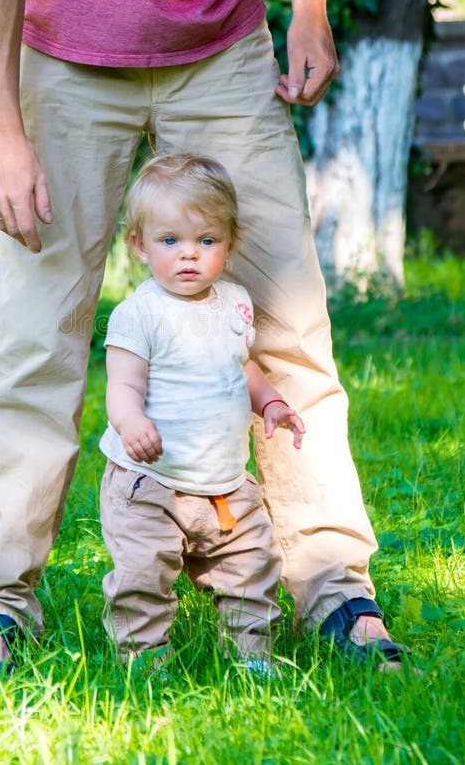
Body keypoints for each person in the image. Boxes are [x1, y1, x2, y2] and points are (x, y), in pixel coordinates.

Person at [0, 0, 411, 669]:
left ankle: (334, 586)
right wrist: (3, 131)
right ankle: (1, 599)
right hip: (66, 52)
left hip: (221, 49)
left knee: (287, 324)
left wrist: (310, 6)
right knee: (37, 334)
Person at [99, 154, 305, 671]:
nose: (188, 254)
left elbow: (242, 366)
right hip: (151, 481)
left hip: (225, 484)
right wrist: (131, 422)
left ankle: (250, 654)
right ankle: (145, 658)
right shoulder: (139, 313)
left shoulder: (234, 302)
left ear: (230, 245)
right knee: (143, 575)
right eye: (170, 240)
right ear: (139, 245)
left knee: (251, 566)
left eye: (207, 240)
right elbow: (122, 385)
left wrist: (270, 400)